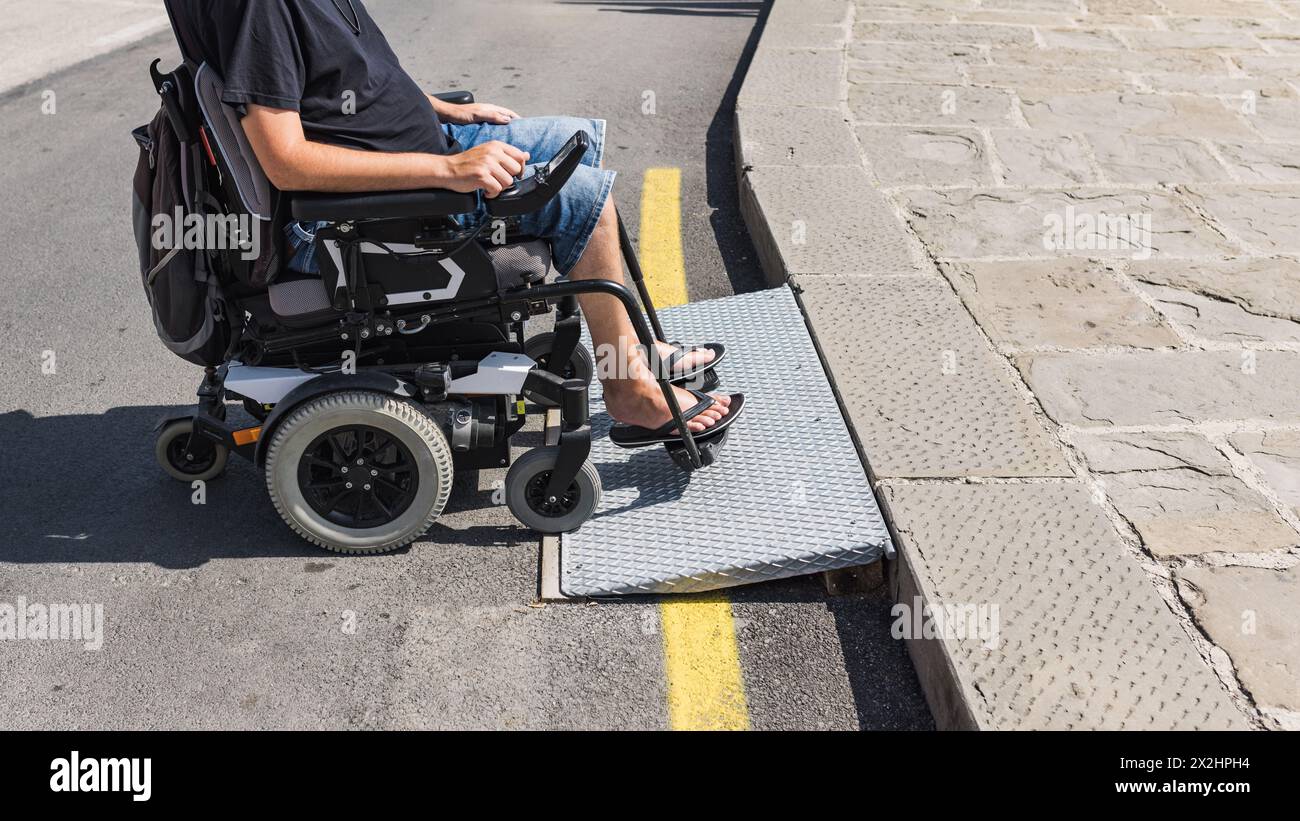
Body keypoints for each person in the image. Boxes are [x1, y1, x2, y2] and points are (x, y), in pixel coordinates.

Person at [166, 0, 741, 444]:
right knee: (582, 198)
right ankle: (629, 393)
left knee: (576, 141)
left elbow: (350, 76)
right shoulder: (256, 8)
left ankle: (634, 346)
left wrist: (442, 111)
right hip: (356, 219)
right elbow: (286, 161)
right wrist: (449, 168)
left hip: (421, 153)